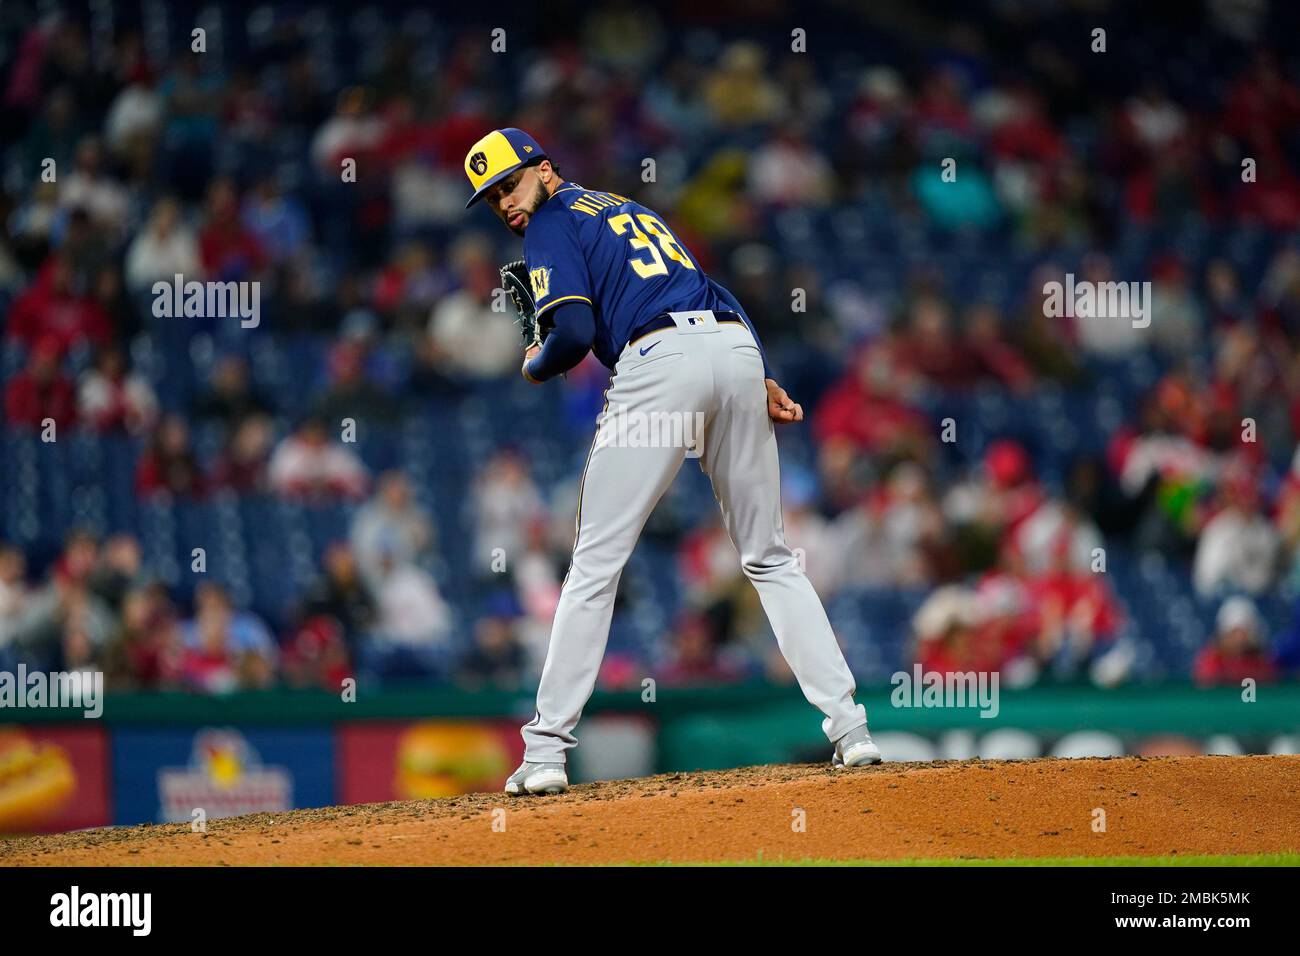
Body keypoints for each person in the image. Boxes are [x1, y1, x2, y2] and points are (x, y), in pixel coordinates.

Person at [463, 128, 879, 797]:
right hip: (732, 347)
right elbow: (713, 288)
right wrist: (762, 375)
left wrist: (535, 363)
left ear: (543, 169)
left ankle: (543, 753)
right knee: (770, 556)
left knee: (596, 562)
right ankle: (852, 732)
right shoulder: (630, 208)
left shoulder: (548, 222)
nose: (505, 203)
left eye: (509, 183)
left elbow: (568, 335)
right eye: (491, 198)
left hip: (661, 365)